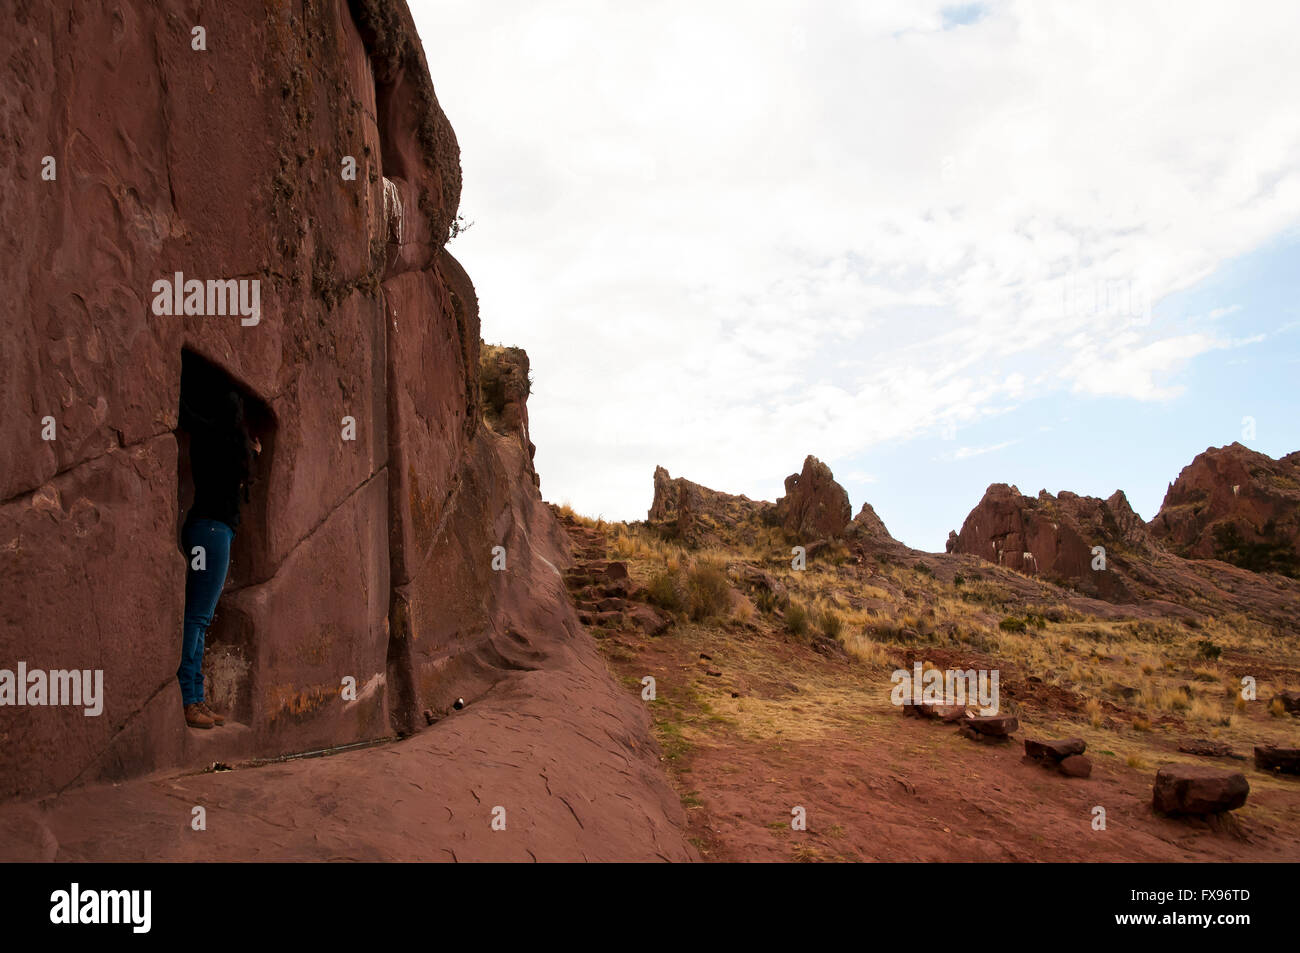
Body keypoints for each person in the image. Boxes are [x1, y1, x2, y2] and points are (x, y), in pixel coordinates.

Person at [177, 387, 259, 729]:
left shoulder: (206, 434)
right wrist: (254, 450)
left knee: (197, 616)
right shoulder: (234, 444)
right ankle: (191, 700)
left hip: (200, 530)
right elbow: (247, 474)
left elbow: (188, 415)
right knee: (198, 617)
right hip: (213, 535)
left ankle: (195, 698)